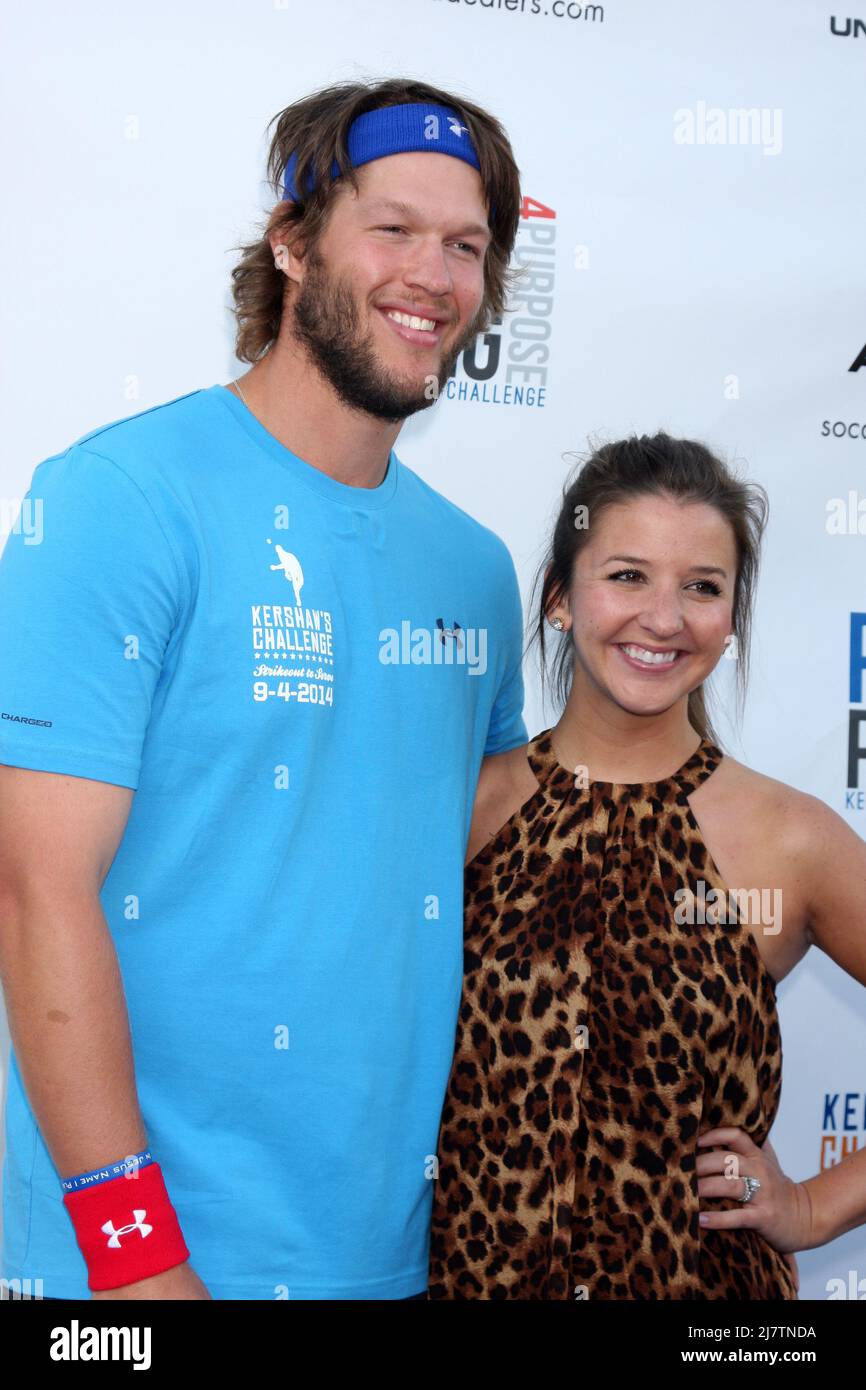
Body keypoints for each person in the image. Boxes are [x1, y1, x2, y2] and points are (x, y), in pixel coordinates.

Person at [0, 78, 528, 1300]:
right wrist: (137, 1265)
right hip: (119, 1276)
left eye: (465, 246)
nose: (433, 276)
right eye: (390, 229)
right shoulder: (118, 499)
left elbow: (476, 832)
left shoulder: (472, 567)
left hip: (378, 1259)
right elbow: (35, 895)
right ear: (293, 245)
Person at [427, 433, 866, 1299]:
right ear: (560, 597)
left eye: (702, 587)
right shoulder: (462, 809)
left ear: (730, 618)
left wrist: (813, 1210)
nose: (664, 618)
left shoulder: (791, 838)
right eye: (627, 575)